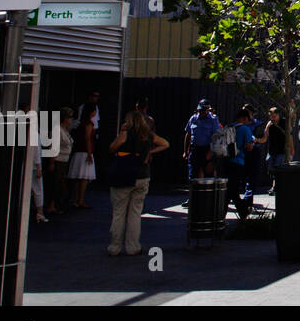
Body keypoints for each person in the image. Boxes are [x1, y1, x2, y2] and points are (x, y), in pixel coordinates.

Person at [107, 110, 168, 256]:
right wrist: (150, 152)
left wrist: (121, 132)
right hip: (142, 175)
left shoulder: (125, 134)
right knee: (135, 213)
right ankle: (133, 246)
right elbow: (165, 144)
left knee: (119, 212)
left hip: (123, 175)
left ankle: (115, 247)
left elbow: (112, 148)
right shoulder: (148, 135)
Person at [224, 107, 256, 217]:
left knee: (229, 190)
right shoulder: (245, 129)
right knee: (233, 190)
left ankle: (222, 215)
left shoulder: (229, 127)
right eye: (248, 119)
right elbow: (249, 146)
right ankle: (243, 212)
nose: (249, 122)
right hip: (238, 161)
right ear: (243, 118)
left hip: (225, 161)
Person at [67, 102, 98, 209]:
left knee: (76, 176)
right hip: (85, 152)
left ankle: (75, 199)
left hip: (78, 151)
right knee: (84, 177)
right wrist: (90, 153)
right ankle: (80, 200)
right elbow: (87, 138)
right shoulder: (89, 124)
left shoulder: (79, 123)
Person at [183, 100, 220, 185]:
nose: (201, 112)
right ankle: (193, 196)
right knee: (193, 175)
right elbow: (188, 134)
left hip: (207, 149)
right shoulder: (193, 118)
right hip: (195, 149)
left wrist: (210, 152)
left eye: (203, 110)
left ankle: (209, 197)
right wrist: (186, 151)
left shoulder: (213, 119)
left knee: (208, 174)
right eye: (200, 110)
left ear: (207, 110)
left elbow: (216, 137)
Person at [48, 107, 75, 215]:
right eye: (70, 117)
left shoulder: (65, 130)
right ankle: (51, 205)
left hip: (64, 160)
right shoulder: (57, 130)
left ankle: (55, 204)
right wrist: (51, 162)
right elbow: (53, 147)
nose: (71, 120)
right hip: (58, 160)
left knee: (60, 183)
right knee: (55, 183)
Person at [264, 107, 287, 195]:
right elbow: (265, 136)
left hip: (281, 150)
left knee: (278, 168)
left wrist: (291, 148)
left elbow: (289, 136)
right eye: (271, 116)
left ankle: (275, 187)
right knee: (271, 168)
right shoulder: (270, 124)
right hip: (272, 150)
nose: (272, 118)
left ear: (278, 115)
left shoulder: (284, 122)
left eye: (274, 116)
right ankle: (275, 186)